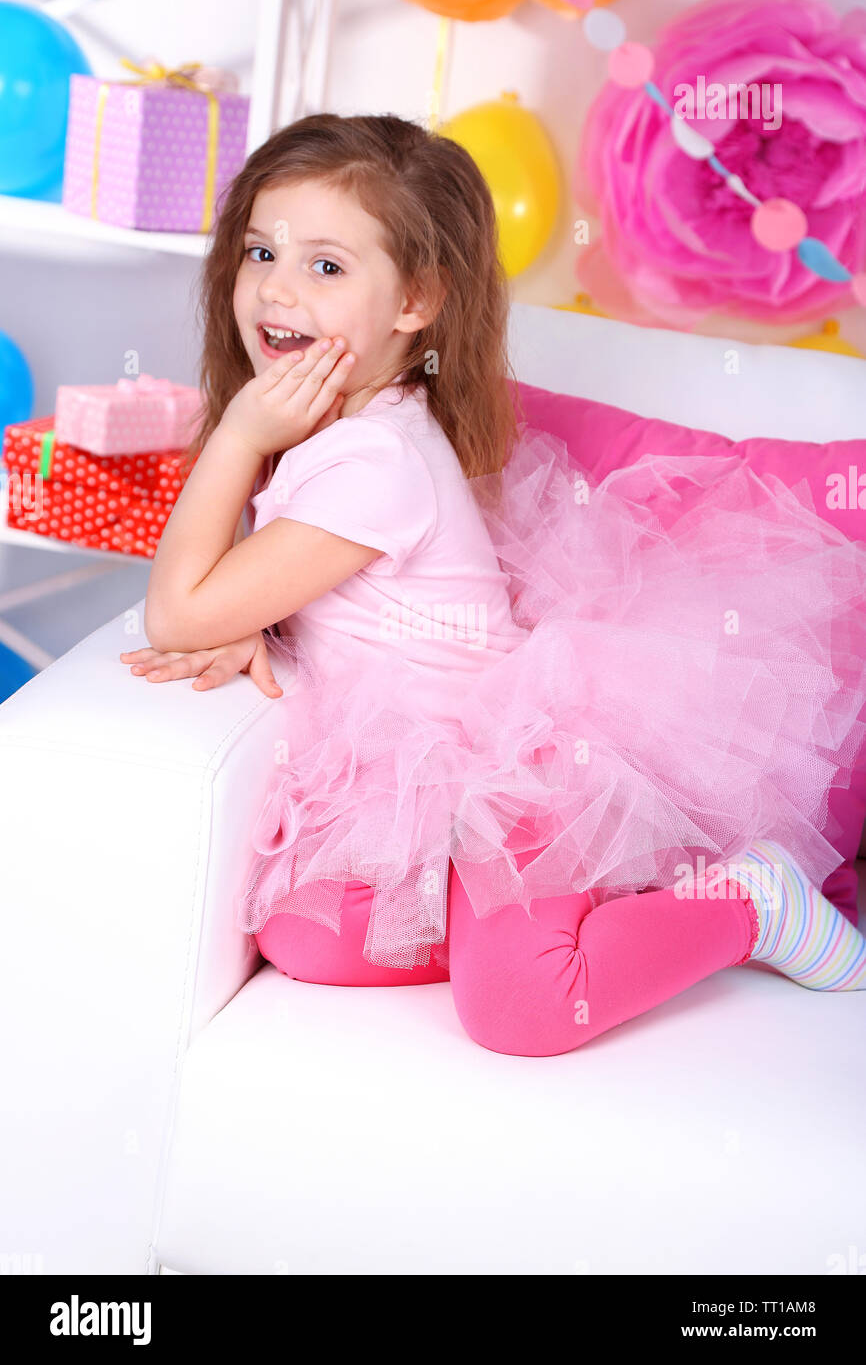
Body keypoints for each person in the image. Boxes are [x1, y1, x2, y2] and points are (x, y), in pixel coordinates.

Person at [120, 113, 866, 1058]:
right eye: (261, 251)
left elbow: (176, 608)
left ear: (417, 301)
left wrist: (232, 441)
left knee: (523, 1009)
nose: (276, 288)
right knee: (301, 937)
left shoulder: (374, 460)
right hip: (426, 773)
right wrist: (262, 623)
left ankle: (748, 905)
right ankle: (598, 899)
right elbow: (232, 596)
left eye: (327, 267)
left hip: (514, 775)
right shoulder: (333, 428)